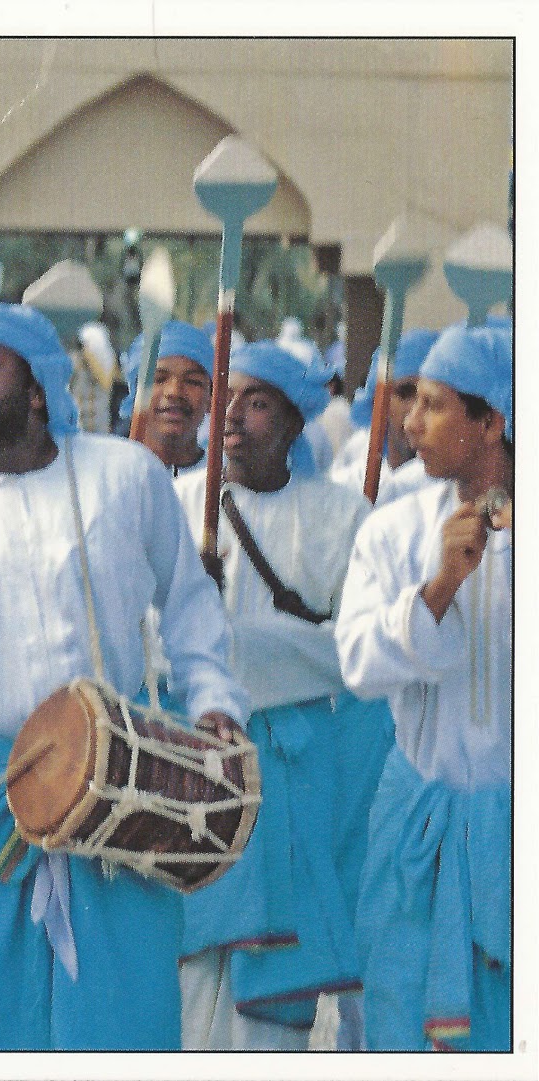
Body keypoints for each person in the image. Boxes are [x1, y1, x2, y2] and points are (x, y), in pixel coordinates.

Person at [0, 301, 246, 1050]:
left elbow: (192, 609)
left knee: (124, 1019)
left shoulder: (123, 477)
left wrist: (214, 703)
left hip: (125, 787)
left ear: (37, 389)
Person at [172, 341, 383, 1049]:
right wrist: (191, 612)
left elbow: (352, 653)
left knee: (274, 981)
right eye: (228, 395)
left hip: (294, 768)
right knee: (195, 969)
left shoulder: (341, 516)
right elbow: (147, 639)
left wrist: (233, 642)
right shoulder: (177, 503)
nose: (233, 414)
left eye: (256, 402)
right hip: (195, 760)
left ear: (294, 424)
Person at [335, 324, 513, 1052]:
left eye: (433, 405)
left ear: (491, 420)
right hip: (415, 828)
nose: (409, 422)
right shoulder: (393, 529)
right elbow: (357, 662)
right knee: (403, 1023)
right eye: (412, 401)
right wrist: (440, 585)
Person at [330, 329, 440, 506]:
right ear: (378, 401)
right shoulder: (349, 487)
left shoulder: (456, 493)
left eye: (430, 399)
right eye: (405, 394)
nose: (416, 408)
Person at [118, 319, 214, 476]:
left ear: (211, 397)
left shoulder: (224, 481)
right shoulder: (110, 476)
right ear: (135, 391)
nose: (174, 392)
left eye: (192, 381)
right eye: (158, 379)